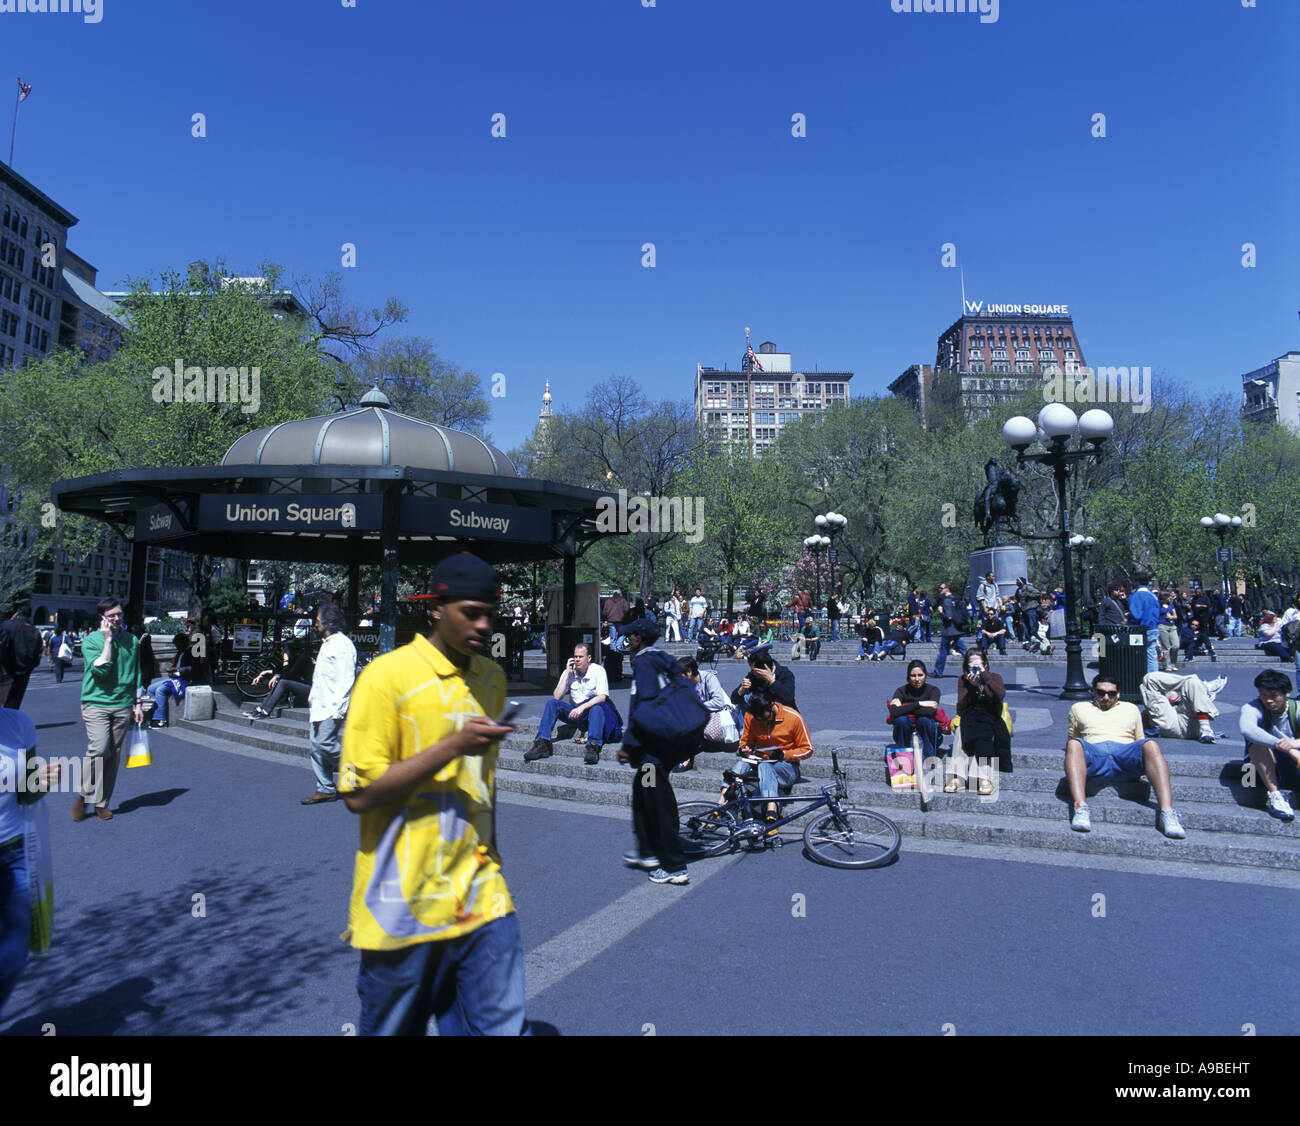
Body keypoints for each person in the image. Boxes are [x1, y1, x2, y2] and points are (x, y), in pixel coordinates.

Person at [337, 552, 527, 1035]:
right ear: (437, 609)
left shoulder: (492, 679)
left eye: (492, 613)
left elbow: (483, 783)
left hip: (482, 895)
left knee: (503, 1029)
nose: (485, 624)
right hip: (402, 903)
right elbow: (358, 796)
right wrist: (454, 746)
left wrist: (496, 852)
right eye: (471, 612)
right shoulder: (386, 678)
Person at [0, 640, 61, 1018]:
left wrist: (41, 781)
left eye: (4, 678)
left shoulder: (18, 724)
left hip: (14, 851)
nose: (1, 687)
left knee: (15, 949)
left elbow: (25, 793)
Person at [1064, 673, 1185, 838]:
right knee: (1074, 744)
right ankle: (1080, 807)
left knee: (1151, 744)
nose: (1106, 697)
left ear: (1118, 694)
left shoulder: (1131, 708)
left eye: (1111, 694)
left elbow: (1139, 740)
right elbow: (1072, 738)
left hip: (1124, 754)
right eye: (1101, 693)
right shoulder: (1078, 708)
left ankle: (1167, 812)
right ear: (1093, 692)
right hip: (1095, 754)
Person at [617, 618, 691, 885]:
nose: (627, 641)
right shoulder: (662, 659)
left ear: (639, 638)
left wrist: (628, 745)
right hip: (666, 742)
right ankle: (647, 852)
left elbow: (643, 707)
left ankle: (674, 865)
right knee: (642, 795)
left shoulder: (645, 663)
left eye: (630, 637)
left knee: (659, 804)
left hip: (652, 750)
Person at [74, 597, 144, 822]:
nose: (116, 618)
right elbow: (101, 671)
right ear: (102, 618)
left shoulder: (132, 641)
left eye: (118, 614)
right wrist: (107, 640)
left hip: (122, 704)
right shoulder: (91, 641)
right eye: (111, 615)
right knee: (99, 748)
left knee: (113, 755)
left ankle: (102, 803)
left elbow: (137, 673)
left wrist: (138, 703)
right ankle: (84, 795)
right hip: (96, 703)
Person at [718, 687, 814, 827]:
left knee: (765, 765)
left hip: (786, 767)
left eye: (765, 718)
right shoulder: (752, 717)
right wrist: (745, 748)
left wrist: (784, 754)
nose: (762, 722)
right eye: (759, 720)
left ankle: (771, 807)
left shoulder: (793, 717)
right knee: (741, 765)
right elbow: (746, 741)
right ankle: (721, 801)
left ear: (771, 707)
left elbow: (808, 749)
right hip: (760, 761)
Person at [525, 642, 622, 765]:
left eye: (580, 657)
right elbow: (557, 696)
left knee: (597, 708)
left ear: (589, 658)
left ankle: (593, 747)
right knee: (552, 703)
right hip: (576, 714)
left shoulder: (598, 671)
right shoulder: (570, 672)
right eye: (575, 656)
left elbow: (602, 697)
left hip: (593, 713)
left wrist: (581, 708)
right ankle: (542, 743)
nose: (577, 660)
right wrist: (567, 674)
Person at [301, 604, 357, 805]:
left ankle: (356, 771)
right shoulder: (327, 643)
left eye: (318, 620)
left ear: (328, 622)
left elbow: (346, 678)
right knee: (314, 747)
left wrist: (339, 708)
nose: (316, 624)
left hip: (332, 705)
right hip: (319, 703)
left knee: (323, 742)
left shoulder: (342, 644)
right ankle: (325, 788)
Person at [1239, 669, 1300, 821]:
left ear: (1287, 693)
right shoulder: (1252, 707)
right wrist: (1285, 747)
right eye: (1263, 695)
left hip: (1291, 766)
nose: (1268, 701)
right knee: (1257, 744)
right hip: (1252, 773)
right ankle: (1276, 796)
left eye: (1274, 696)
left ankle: (1290, 794)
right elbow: (1247, 729)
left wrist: (1294, 744)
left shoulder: (1297, 709)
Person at [948, 648, 1006, 796]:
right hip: (969, 717)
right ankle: (957, 777)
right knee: (962, 730)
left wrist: (984, 678)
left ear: (985, 665)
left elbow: (1000, 695)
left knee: (982, 731)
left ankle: (982, 778)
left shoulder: (994, 677)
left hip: (990, 717)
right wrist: (970, 688)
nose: (974, 669)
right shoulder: (963, 680)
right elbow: (960, 707)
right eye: (971, 666)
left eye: (977, 665)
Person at [675, 656, 737, 771]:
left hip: (715, 714)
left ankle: (686, 758)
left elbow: (718, 703)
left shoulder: (709, 678)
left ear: (689, 672)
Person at [1139, 670, 1226, 744]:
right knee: (1149, 679)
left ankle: (1205, 729)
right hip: (1170, 724)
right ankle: (1203, 688)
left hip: (1190, 723)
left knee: (1192, 682)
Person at [245, 638, 316, 719]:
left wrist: (285, 660)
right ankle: (260, 709)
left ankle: (266, 712)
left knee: (282, 683)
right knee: (280, 682)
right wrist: (266, 673)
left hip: (311, 689)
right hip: (304, 685)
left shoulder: (302, 658)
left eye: (284, 650)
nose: (282, 652)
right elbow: (281, 670)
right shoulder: (297, 656)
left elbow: (287, 676)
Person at [888, 660, 941, 761]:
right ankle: (903, 760)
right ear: (908, 677)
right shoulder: (901, 691)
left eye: (920, 675)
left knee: (924, 720)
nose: (917, 679)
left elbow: (930, 712)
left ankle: (928, 761)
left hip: (928, 731)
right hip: (905, 732)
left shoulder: (933, 690)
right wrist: (919, 704)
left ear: (925, 675)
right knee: (901, 720)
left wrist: (904, 708)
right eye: (913, 676)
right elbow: (894, 712)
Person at [730, 645, 797, 715]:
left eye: (755, 670)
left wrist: (771, 680)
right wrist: (742, 689)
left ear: (764, 668)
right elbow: (734, 700)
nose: (752, 672)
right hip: (761, 714)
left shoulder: (784, 673)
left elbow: (788, 697)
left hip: (783, 714)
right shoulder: (753, 675)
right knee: (744, 701)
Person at [148, 631, 195, 728]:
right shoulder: (179, 652)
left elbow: (193, 669)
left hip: (184, 680)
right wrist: (172, 671)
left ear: (183, 643)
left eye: (178, 644)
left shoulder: (191, 652)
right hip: (175, 677)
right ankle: (152, 714)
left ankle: (160, 719)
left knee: (160, 690)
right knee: (151, 688)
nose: (177, 647)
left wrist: (178, 670)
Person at [0, 609, 43, 710]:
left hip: (7, 669)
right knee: (14, 702)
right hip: (24, 671)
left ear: (16, 614)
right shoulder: (34, 631)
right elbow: (38, 653)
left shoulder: (7, 626)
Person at [933, 582, 966, 677]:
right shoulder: (955, 599)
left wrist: (941, 612)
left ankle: (938, 672)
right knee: (963, 649)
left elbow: (949, 616)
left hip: (948, 630)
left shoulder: (946, 601)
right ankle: (973, 666)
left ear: (947, 589)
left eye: (941, 588)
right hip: (957, 628)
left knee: (943, 651)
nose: (940, 590)